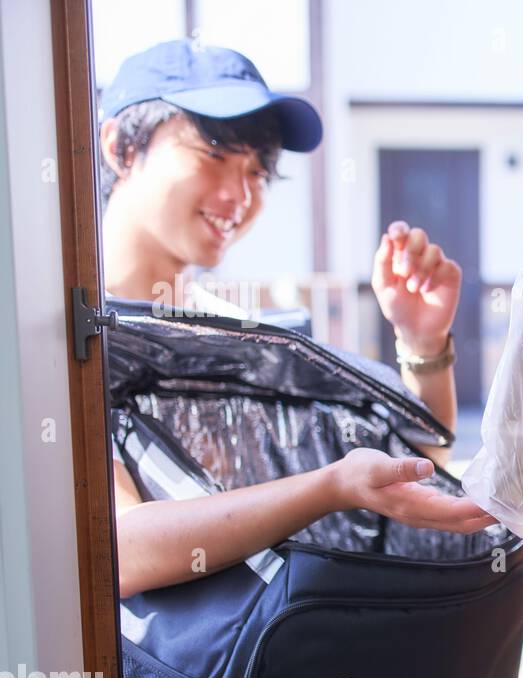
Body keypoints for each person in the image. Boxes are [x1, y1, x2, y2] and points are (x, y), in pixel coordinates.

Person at [98, 40, 494, 599]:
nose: (240, 195)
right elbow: (120, 552)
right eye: (213, 153)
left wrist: (421, 339)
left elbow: (411, 469)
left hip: (262, 675)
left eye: (259, 173)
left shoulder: (230, 330)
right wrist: (330, 487)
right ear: (120, 148)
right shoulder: (71, 337)